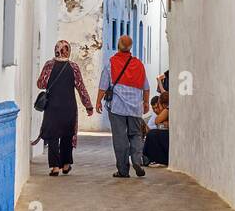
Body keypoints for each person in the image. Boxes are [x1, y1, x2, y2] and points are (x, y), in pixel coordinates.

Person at [35, 40, 93, 176]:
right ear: (68, 51)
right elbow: (81, 87)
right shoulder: (73, 67)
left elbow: (41, 84)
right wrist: (88, 105)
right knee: (67, 135)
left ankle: (55, 167)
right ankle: (66, 165)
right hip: (69, 107)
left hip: (52, 107)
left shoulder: (49, 65)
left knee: (53, 136)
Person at [96, 34, 150, 178]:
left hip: (117, 108)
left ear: (119, 45)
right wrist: (145, 103)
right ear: (130, 47)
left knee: (120, 138)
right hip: (135, 108)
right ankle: (137, 160)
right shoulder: (139, 65)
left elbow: (103, 85)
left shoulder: (111, 63)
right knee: (136, 135)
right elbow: (146, 87)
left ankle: (123, 170)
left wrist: (98, 101)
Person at [143, 94, 169, 167]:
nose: (155, 110)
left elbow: (157, 121)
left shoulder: (167, 109)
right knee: (152, 134)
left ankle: (156, 159)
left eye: (158, 105)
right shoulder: (164, 110)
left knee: (152, 134)